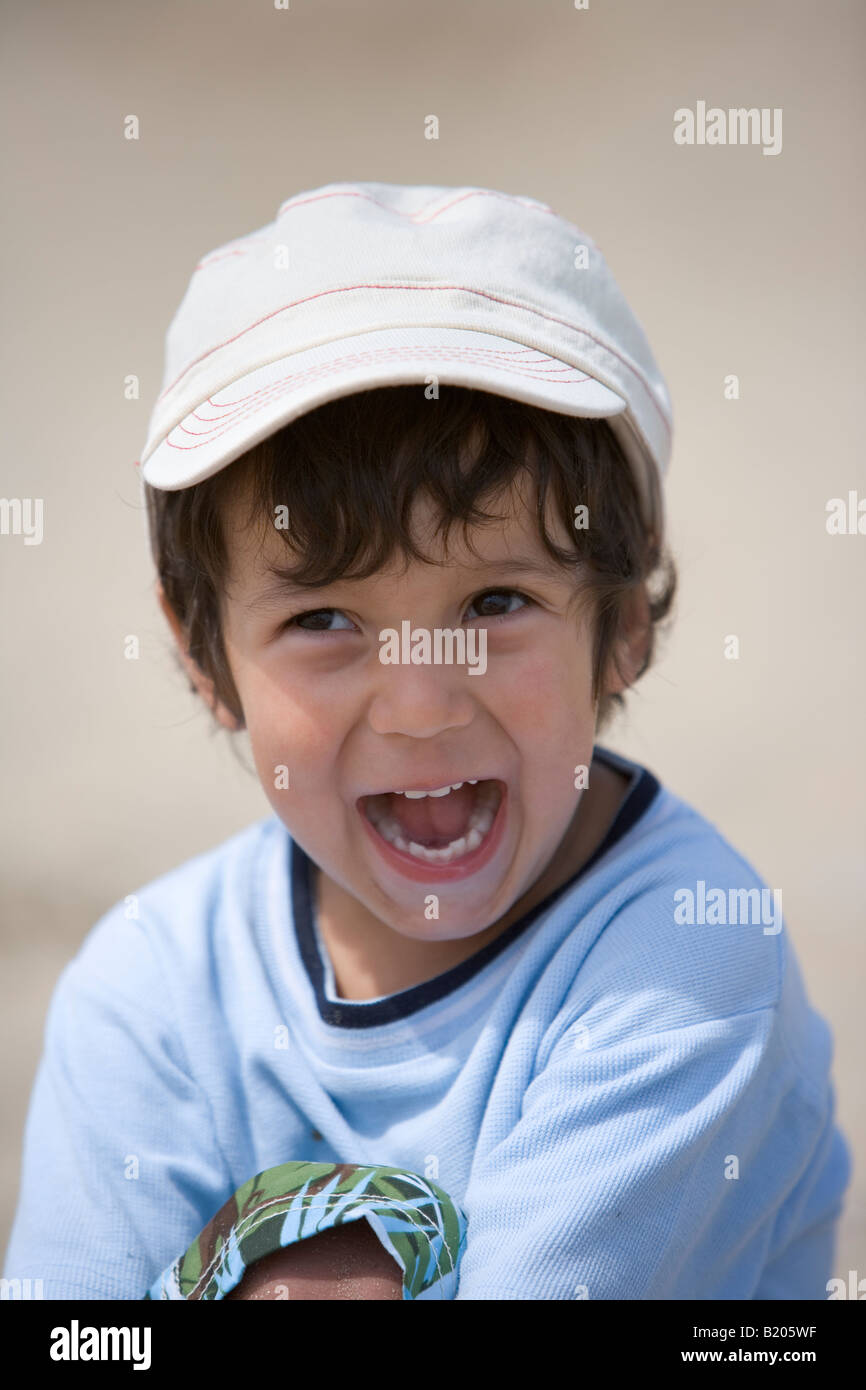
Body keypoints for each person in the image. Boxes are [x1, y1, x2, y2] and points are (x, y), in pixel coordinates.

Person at [3, 182, 851, 1300]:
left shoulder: (684, 965)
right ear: (204, 653)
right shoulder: (147, 991)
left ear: (624, 620)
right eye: (322, 621)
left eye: (494, 602)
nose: (419, 705)